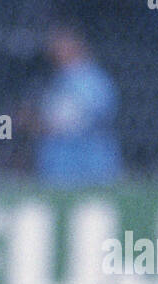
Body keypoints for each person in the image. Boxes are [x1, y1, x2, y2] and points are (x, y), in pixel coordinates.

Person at [32, 25, 121, 187]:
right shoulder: (57, 78)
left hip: (90, 167)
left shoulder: (92, 80)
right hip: (58, 167)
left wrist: (36, 122)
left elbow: (75, 120)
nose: (56, 49)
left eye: (62, 44)